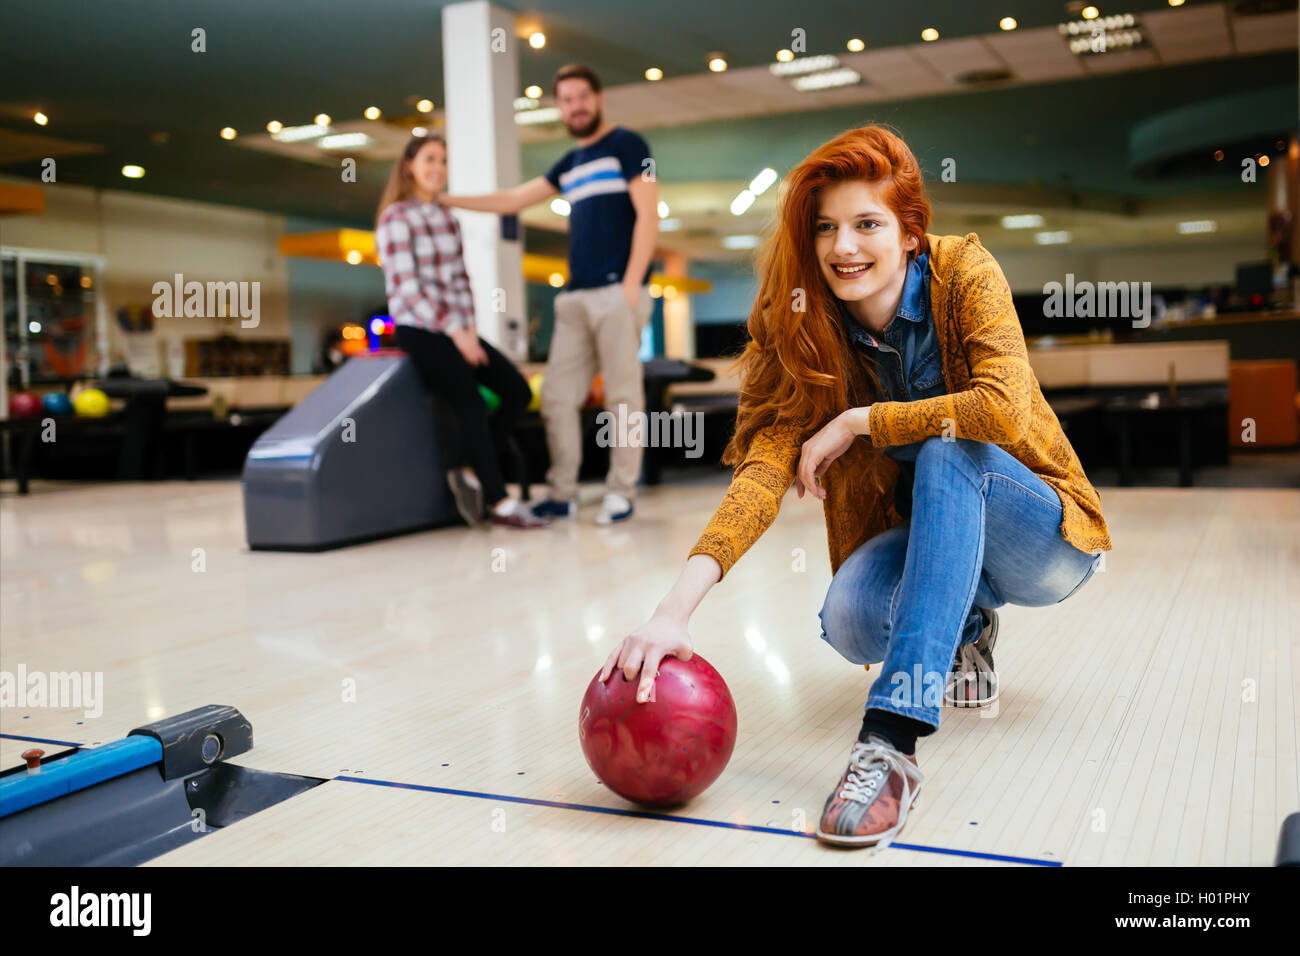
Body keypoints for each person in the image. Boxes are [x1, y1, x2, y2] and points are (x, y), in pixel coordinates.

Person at [597, 125, 1113, 851]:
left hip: (1047, 541)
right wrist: (671, 611)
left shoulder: (965, 273)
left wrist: (861, 420)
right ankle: (965, 629)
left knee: (947, 452)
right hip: (936, 539)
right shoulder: (802, 330)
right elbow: (762, 473)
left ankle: (889, 745)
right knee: (848, 618)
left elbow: (1003, 407)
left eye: (867, 224)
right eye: (826, 229)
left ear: (909, 232)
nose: (844, 247)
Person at [437, 63, 658, 525]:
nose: (574, 106)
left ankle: (621, 493)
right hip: (574, 297)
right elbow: (513, 200)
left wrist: (631, 285)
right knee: (557, 395)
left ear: (597, 99)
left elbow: (648, 214)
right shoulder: (570, 163)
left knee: (623, 397)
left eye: (581, 96)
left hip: (618, 291)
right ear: (559, 107)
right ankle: (563, 493)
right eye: (566, 99)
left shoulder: (628, 145)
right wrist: (446, 200)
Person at [375, 132, 546, 529]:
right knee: (469, 401)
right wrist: (455, 332)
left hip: (457, 329)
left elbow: (460, 282)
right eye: (430, 159)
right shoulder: (395, 217)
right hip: (418, 327)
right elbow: (407, 287)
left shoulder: (447, 217)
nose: (438, 169)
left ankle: (469, 470)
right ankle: (500, 501)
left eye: (443, 161)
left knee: (516, 391)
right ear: (409, 166)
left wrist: (468, 328)